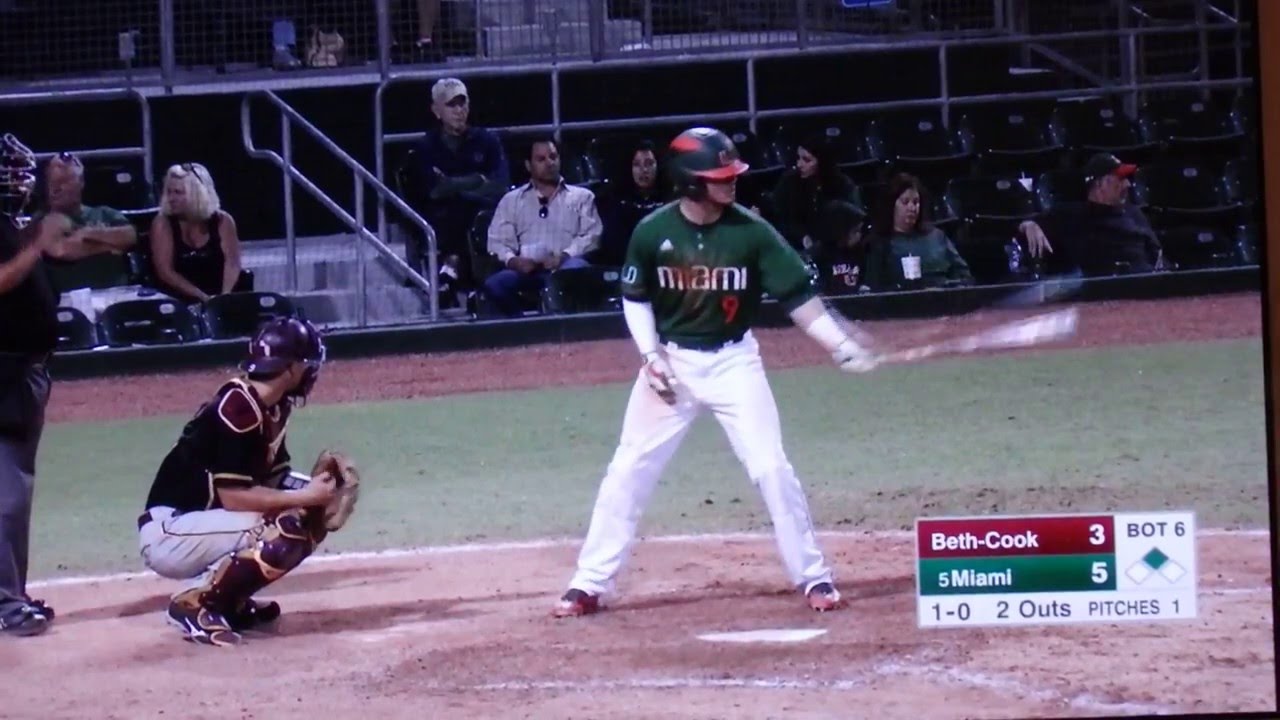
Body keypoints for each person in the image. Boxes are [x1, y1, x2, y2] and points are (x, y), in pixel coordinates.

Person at [552, 127, 879, 618]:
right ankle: (588, 584)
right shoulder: (653, 232)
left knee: (771, 467)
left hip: (734, 361)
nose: (730, 183)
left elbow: (799, 298)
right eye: (719, 176)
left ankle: (814, 576)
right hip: (672, 362)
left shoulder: (750, 231)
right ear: (688, 181)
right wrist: (650, 356)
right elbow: (635, 298)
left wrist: (838, 344)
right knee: (628, 469)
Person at [137, 317, 359, 647]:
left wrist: (319, 491)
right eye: (307, 363)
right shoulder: (238, 408)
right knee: (283, 527)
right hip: (171, 532)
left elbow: (274, 480)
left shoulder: (272, 407)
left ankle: (228, 603)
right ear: (290, 368)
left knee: (302, 520)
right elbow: (234, 497)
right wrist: (306, 497)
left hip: (203, 524)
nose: (312, 372)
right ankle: (195, 604)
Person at [0, 133, 59, 638]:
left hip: (21, 374)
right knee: (6, 496)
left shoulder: (5, 225)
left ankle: (11, 594)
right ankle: (4, 604)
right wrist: (35, 247)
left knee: (15, 491)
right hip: (3, 374)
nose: (19, 177)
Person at [148, 163, 247, 304]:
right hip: (180, 301)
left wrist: (224, 297)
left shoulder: (223, 221)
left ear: (198, 194)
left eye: (178, 192)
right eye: (169, 192)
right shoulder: (162, 224)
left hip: (220, 296)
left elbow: (232, 263)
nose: (171, 198)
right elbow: (165, 272)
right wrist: (203, 298)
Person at [862, 172, 974, 291]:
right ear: (892, 205)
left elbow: (964, 276)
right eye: (905, 202)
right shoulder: (880, 243)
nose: (912, 208)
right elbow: (875, 289)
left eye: (916, 202)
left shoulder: (937, 236)